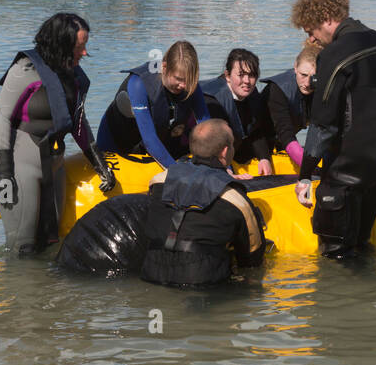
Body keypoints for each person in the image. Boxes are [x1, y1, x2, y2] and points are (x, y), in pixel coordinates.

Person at [57, 121, 266, 285]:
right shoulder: (234, 198)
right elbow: (253, 258)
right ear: (224, 152)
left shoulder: (158, 182)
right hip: (202, 283)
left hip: (152, 274)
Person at [291, 0, 376, 259]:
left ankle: (342, 299)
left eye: (311, 31)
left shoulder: (334, 55)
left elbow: (323, 125)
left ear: (327, 17)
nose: (312, 39)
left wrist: (305, 174)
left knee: (336, 254)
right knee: (362, 243)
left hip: (347, 169)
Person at [0, 12, 115, 255]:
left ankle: (50, 294)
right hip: (20, 167)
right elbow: (1, 119)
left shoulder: (75, 77)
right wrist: (3, 173)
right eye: (80, 46)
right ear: (62, 44)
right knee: (22, 249)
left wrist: (100, 165)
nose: (85, 53)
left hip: (54, 164)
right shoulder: (24, 69)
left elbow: (78, 122)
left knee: (52, 244)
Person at [96, 40, 209, 168]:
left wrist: (224, 167)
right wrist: (178, 172)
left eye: (188, 80)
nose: (184, 85)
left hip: (160, 144)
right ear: (164, 67)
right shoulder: (139, 84)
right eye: (178, 79)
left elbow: (208, 128)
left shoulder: (190, 84)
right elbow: (150, 139)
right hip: (117, 145)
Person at [201, 49, 274, 174]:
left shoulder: (252, 93)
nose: (247, 81)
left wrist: (264, 158)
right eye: (241, 75)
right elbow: (211, 143)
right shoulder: (212, 100)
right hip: (207, 154)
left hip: (236, 150)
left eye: (251, 75)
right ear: (227, 76)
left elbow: (255, 131)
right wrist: (226, 170)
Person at [262, 46, 316, 170]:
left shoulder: (320, 87)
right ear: (295, 67)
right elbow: (285, 133)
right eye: (303, 75)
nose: (307, 83)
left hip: (283, 144)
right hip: (261, 146)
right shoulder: (277, 90)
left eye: (313, 77)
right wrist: (308, 168)